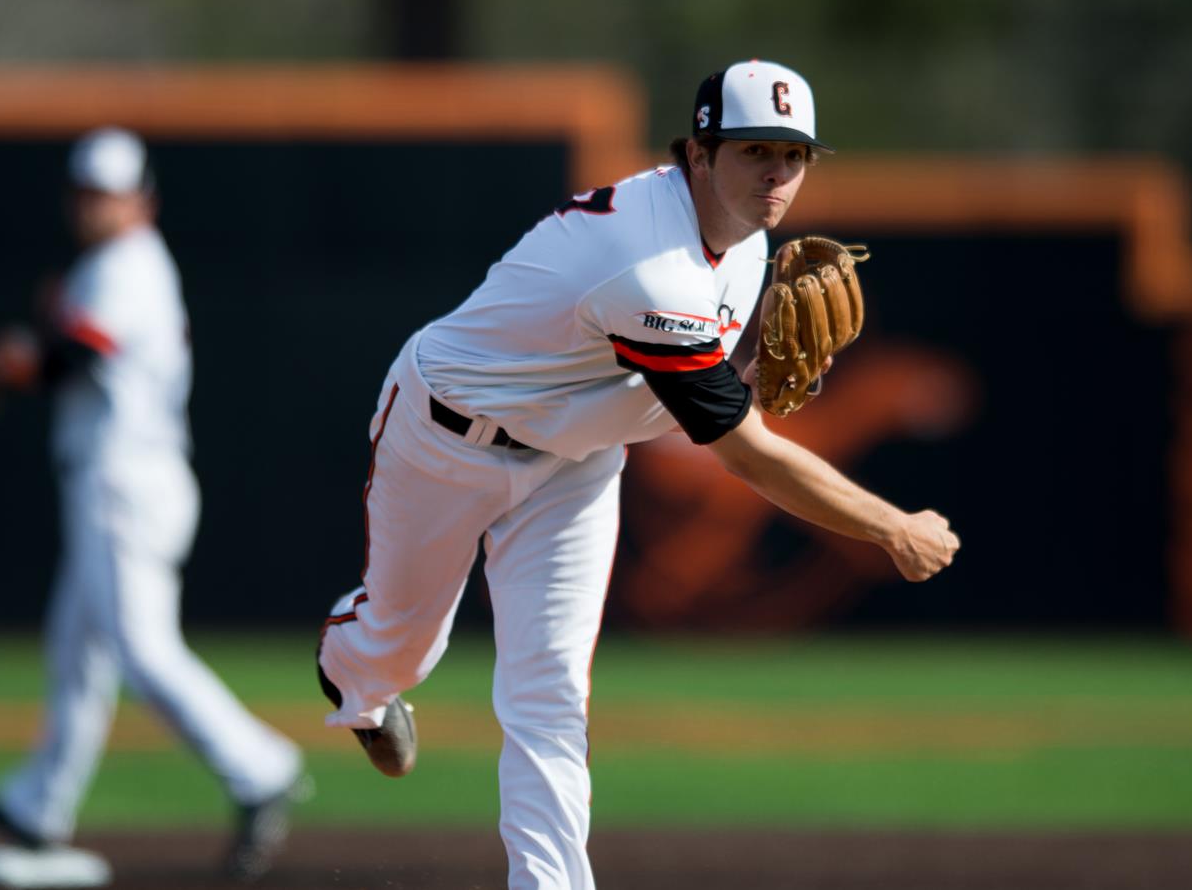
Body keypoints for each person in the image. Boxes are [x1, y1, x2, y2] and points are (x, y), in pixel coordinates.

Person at [316, 61, 960, 889]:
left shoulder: (748, 246)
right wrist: (891, 526)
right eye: (754, 150)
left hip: (577, 459)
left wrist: (748, 374)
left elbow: (680, 393)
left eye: (793, 155)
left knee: (550, 692)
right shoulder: (648, 264)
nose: (776, 173)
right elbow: (743, 451)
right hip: (448, 438)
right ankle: (355, 670)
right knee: (403, 644)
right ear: (698, 153)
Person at [0, 127, 305, 882]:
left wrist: (14, 358)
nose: (95, 206)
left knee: (142, 650)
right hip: (110, 479)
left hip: (127, 481)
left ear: (142, 199)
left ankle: (261, 768)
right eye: (86, 193)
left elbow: (75, 355)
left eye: (109, 194)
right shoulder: (108, 265)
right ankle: (39, 804)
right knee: (75, 651)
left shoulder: (129, 264)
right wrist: (38, 341)